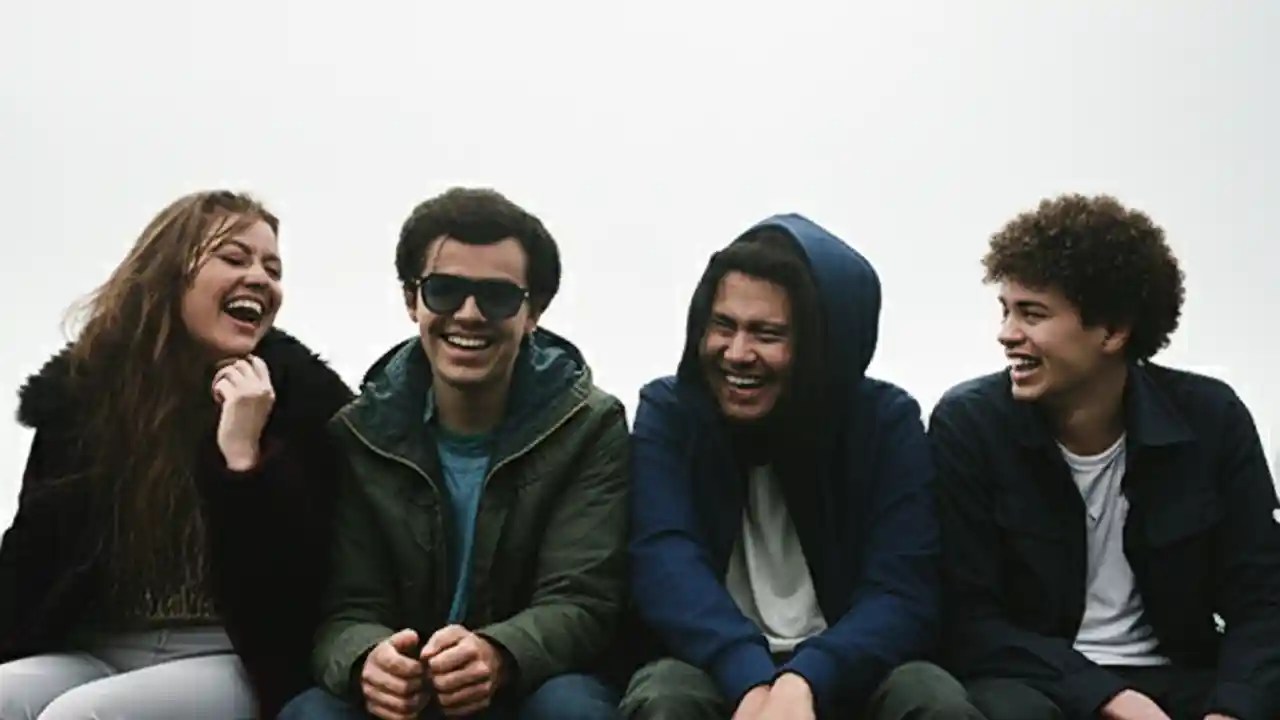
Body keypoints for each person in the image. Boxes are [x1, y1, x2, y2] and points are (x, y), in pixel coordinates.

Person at [0, 190, 355, 719]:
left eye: (272, 268)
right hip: (96, 645)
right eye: (234, 258)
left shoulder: (304, 407)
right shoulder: (84, 398)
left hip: (231, 654)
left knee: (79, 718)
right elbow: (32, 556)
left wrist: (244, 458)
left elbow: (296, 586)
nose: (260, 277)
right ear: (169, 273)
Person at [280, 188, 628, 720]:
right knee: (312, 713)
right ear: (411, 300)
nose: (468, 315)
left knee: (573, 708)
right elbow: (346, 608)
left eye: (498, 297)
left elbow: (581, 601)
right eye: (444, 290)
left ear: (533, 311)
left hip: (527, 689)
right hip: (408, 697)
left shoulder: (589, 425)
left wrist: (498, 654)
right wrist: (366, 660)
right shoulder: (358, 435)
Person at [930, 194, 1280, 720]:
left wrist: (1233, 710)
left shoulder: (1211, 419)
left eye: (1032, 314)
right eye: (1005, 310)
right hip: (1038, 682)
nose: (1006, 334)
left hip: (1183, 679)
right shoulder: (971, 425)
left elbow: (1262, 599)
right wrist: (1110, 699)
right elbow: (968, 617)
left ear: (1113, 331)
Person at [619, 215, 982, 720]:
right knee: (663, 696)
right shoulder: (670, 411)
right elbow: (664, 560)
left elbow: (902, 589)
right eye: (723, 326)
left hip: (853, 663)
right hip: (709, 659)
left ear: (823, 347)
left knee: (932, 698)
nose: (738, 353)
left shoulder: (885, 423)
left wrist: (806, 679)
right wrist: (749, 676)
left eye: (767, 334)